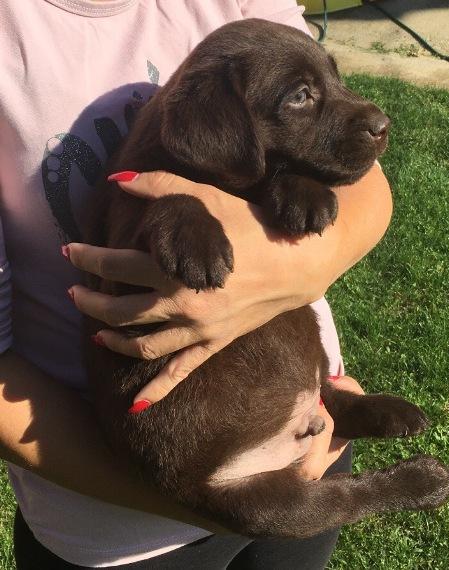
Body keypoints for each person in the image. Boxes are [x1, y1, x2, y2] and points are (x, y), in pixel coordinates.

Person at [0, 0, 392, 568]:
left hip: (308, 436)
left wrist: (303, 266)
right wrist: (211, 498)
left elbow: (366, 188)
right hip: (115, 516)